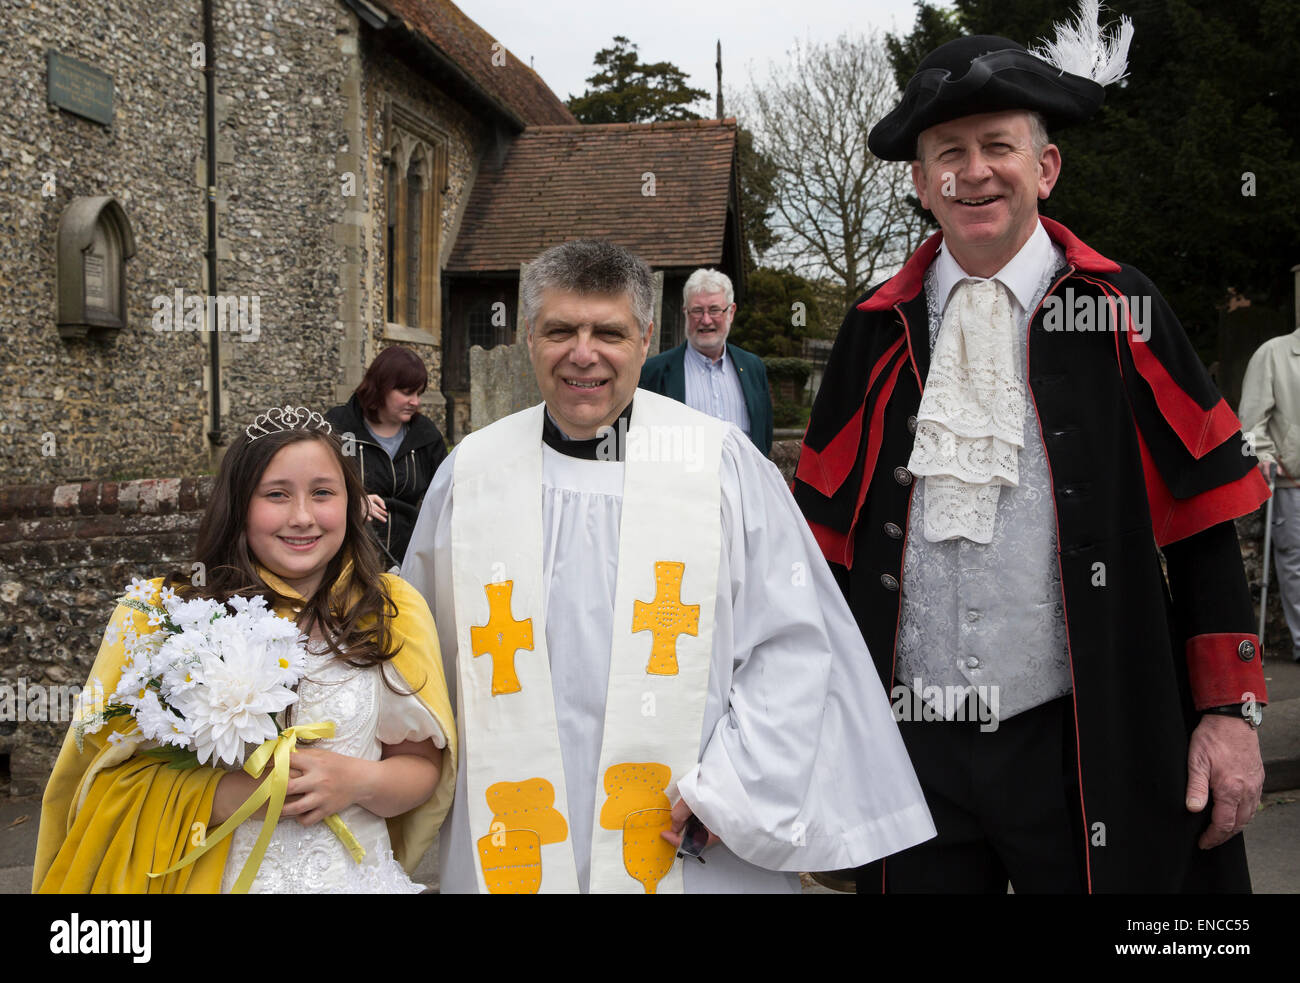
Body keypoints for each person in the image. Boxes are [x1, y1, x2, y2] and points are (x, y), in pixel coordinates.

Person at [792, 12, 1270, 893]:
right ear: (921, 182)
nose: (975, 171)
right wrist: (812, 725)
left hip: (1084, 733)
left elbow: (1207, 515)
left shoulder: (1122, 306)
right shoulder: (873, 328)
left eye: (998, 146)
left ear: (1044, 168)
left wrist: (1230, 712)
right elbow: (821, 543)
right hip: (911, 745)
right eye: (949, 151)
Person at [401, 238, 933, 894]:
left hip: (682, 826)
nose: (583, 353)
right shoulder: (472, 475)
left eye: (610, 332)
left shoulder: (722, 468)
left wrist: (731, 792)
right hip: (513, 826)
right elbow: (413, 655)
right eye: (561, 329)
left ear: (648, 337)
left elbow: (794, 649)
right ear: (529, 337)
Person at [34, 407, 456, 893]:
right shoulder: (163, 614)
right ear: (238, 504)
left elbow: (422, 767)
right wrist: (226, 794)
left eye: (323, 493)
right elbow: (102, 782)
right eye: (276, 495)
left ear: (350, 502)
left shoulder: (388, 609)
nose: (302, 517)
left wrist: (357, 781)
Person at [325, 346, 448, 568]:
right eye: (407, 392)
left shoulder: (427, 436)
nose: (416, 402)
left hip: (409, 561)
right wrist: (351, 502)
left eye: (418, 393)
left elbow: (445, 497)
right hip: (346, 559)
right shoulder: (339, 427)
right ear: (381, 387)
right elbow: (312, 485)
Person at [639, 268, 774, 456]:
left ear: (731, 312)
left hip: (745, 483)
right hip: (683, 483)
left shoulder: (754, 368)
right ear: (686, 313)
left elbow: (764, 437)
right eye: (697, 311)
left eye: (714, 310)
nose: (706, 320)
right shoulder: (653, 372)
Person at [1239, 326, 1300, 661]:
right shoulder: (1274, 353)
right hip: (1293, 479)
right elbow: (1250, 422)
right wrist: (1262, 456)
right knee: (1295, 562)